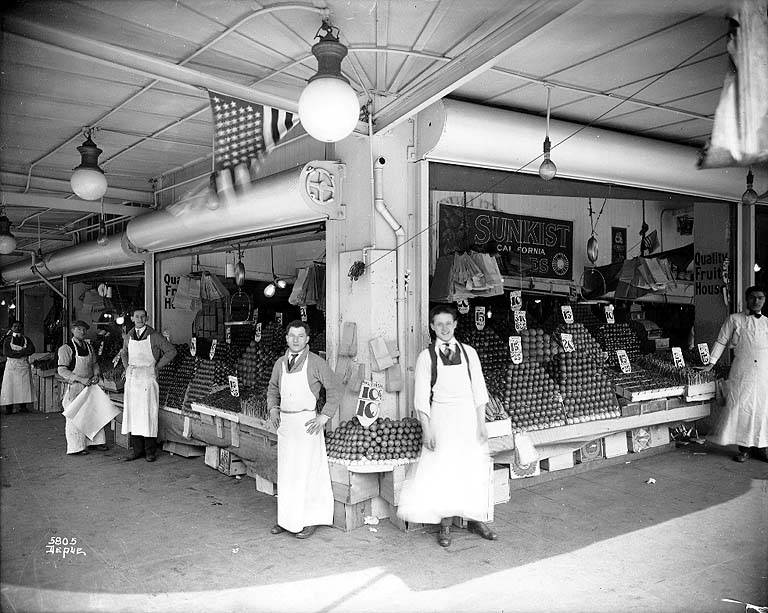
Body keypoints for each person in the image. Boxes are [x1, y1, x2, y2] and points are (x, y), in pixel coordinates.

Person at [397, 304, 497, 547]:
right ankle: (445, 525)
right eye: (438, 324)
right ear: (432, 326)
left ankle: (476, 519)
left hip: (467, 418)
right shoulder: (426, 357)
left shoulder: (469, 353)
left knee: (472, 468)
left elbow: (479, 390)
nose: (444, 328)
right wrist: (427, 429)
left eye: (448, 323)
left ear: (455, 325)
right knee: (443, 469)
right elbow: (421, 398)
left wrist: (481, 423)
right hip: (441, 417)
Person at [266, 320, 342, 539]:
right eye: (292, 336)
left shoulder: (316, 363)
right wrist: (273, 409)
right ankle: (287, 519)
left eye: (300, 336)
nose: (296, 340)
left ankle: (309, 520)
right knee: (288, 473)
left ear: (307, 339)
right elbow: (272, 388)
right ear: (287, 338)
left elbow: (335, 389)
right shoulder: (280, 363)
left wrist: (324, 416)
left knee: (307, 472)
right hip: (286, 426)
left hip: (308, 425)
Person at [705, 285, 767, 463]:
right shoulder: (734, 319)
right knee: (742, 407)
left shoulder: (767, 322)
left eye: (760, 298)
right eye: (753, 297)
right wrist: (711, 363)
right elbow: (721, 340)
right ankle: (744, 448)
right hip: (742, 370)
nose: (756, 301)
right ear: (747, 299)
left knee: (762, 409)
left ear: (764, 300)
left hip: (764, 371)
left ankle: (761, 447)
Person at [117, 308, 176, 462]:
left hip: (148, 378)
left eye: (143, 316)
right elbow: (124, 353)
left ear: (147, 318)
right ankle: (137, 451)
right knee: (134, 415)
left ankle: (150, 451)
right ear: (132, 318)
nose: (140, 319)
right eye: (137, 316)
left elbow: (171, 351)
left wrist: (157, 367)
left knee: (148, 414)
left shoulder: (155, 336)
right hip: (133, 379)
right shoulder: (128, 336)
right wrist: (126, 366)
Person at [58, 320, 108, 455]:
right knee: (75, 416)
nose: (82, 332)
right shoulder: (66, 348)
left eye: (84, 329)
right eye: (79, 329)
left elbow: (94, 363)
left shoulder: (88, 346)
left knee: (93, 413)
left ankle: (95, 442)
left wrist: (96, 374)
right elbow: (62, 370)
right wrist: (81, 379)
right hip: (75, 387)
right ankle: (77, 447)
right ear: (73, 331)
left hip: (90, 385)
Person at [0, 320, 36, 414]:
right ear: (11, 328)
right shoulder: (7, 340)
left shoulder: (26, 339)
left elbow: (31, 350)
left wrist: (18, 353)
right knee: (9, 387)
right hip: (11, 366)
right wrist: (22, 353)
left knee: (24, 387)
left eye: (19, 326)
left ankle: (23, 407)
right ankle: (9, 408)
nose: (17, 328)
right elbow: (7, 353)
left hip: (23, 366)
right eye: (15, 326)